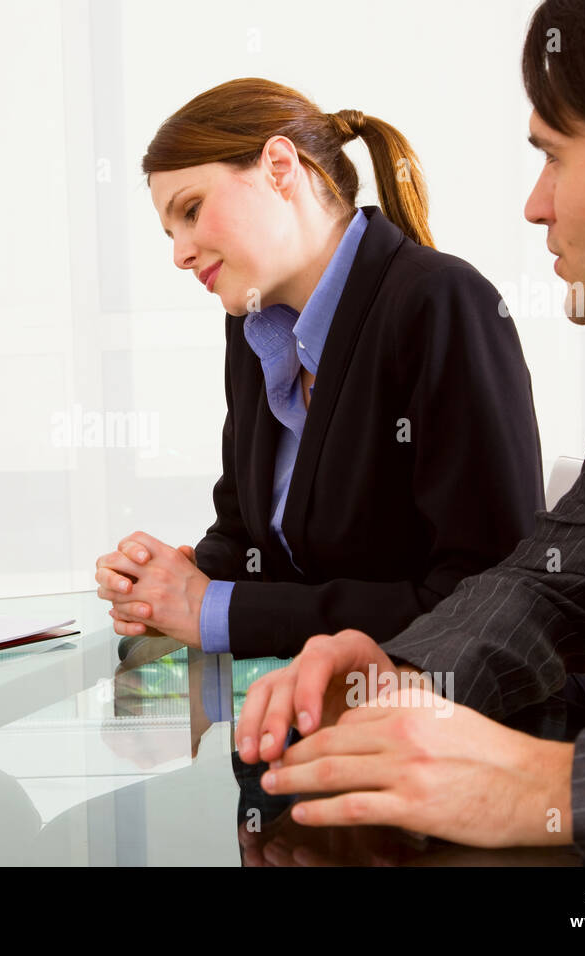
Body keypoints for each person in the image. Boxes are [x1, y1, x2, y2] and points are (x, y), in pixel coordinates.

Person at [236, 0, 585, 865]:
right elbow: (561, 579)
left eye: (552, 156)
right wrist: (405, 676)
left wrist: (550, 786)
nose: (534, 205)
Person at [94, 78, 546, 659]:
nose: (179, 253)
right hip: (317, 708)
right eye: (170, 231)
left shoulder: (439, 302)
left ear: (280, 168)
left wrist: (215, 610)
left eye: (191, 210)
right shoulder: (254, 322)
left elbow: (484, 600)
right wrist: (170, 585)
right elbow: (244, 534)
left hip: (457, 720)